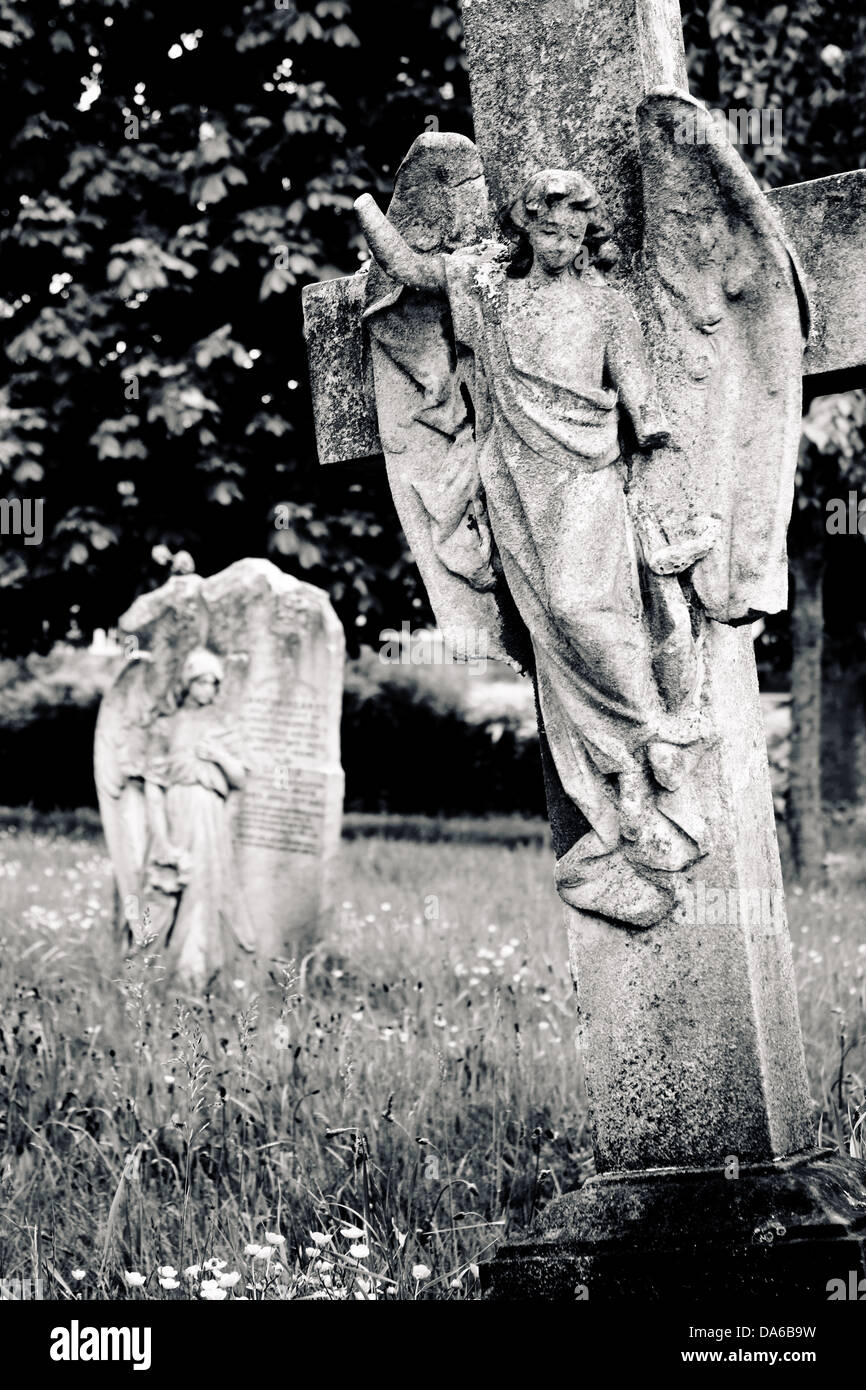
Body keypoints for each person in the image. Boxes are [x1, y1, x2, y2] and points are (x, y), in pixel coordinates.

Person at [143, 647, 255, 979]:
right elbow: (153, 786)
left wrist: (219, 755)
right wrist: (161, 840)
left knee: (207, 888)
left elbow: (240, 779)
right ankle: (163, 969)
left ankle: (199, 969)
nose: (207, 689)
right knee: (172, 885)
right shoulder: (167, 726)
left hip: (210, 813)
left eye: (213, 683)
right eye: (201, 681)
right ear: (188, 682)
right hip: (178, 810)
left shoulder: (224, 726)